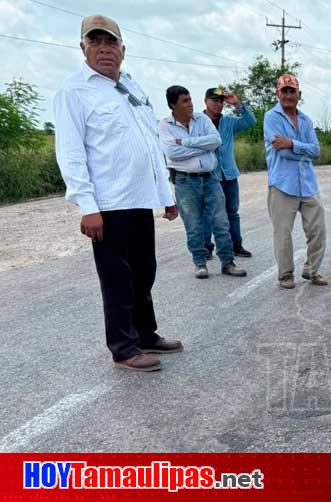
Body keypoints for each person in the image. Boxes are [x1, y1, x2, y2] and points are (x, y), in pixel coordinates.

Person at [53, 14, 182, 372]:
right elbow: (71, 153)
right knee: (117, 279)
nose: (104, 49)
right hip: (108, 204)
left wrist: (165, 193)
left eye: (110, 42)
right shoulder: (73, 92)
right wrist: (87, 205)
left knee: (144, 272)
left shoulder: (131, 86)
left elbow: (150, 141)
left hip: (140, 199)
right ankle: (124, 348)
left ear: (123, 49)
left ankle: (144, 333)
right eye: (95, 42)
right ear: (83, 48)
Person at [160, 86, 247, 280]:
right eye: (184, 101)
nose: (190, 104)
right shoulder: (165, 125)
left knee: (221, 221)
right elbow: (172, 153)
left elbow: (215, 141)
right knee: (194, 224)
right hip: (184, 181)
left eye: (190, 99)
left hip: (210, 178)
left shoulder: (202, 119)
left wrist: (184, 142)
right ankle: (200, 263)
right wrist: (202, 147)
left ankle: (227, 262)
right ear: (173, 104)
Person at [263, 74, 327, 290]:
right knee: (283, 233)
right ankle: (285, 275)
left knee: (318, 229)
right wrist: (300, 148)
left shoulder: (306, 120)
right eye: (285, 91)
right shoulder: (271, 117)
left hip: (307, 184)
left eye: (292, 91)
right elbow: (281, 153)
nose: (289, 95)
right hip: (282, 184)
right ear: (278, 93)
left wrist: (290, 143)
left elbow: (316, 150)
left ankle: (312, 270)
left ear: (299, 94)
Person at [202, 87, 257, 259]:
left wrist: (237, 104)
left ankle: (236, 245)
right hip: (209, 175)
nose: (218, 104)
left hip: (229, 174)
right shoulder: (198, 121)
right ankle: (206, 248)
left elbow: (250, 121)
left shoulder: (229, 122)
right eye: (214, 100)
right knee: (209, 213)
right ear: (206, 101)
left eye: (220, 101)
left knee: (232, 212)